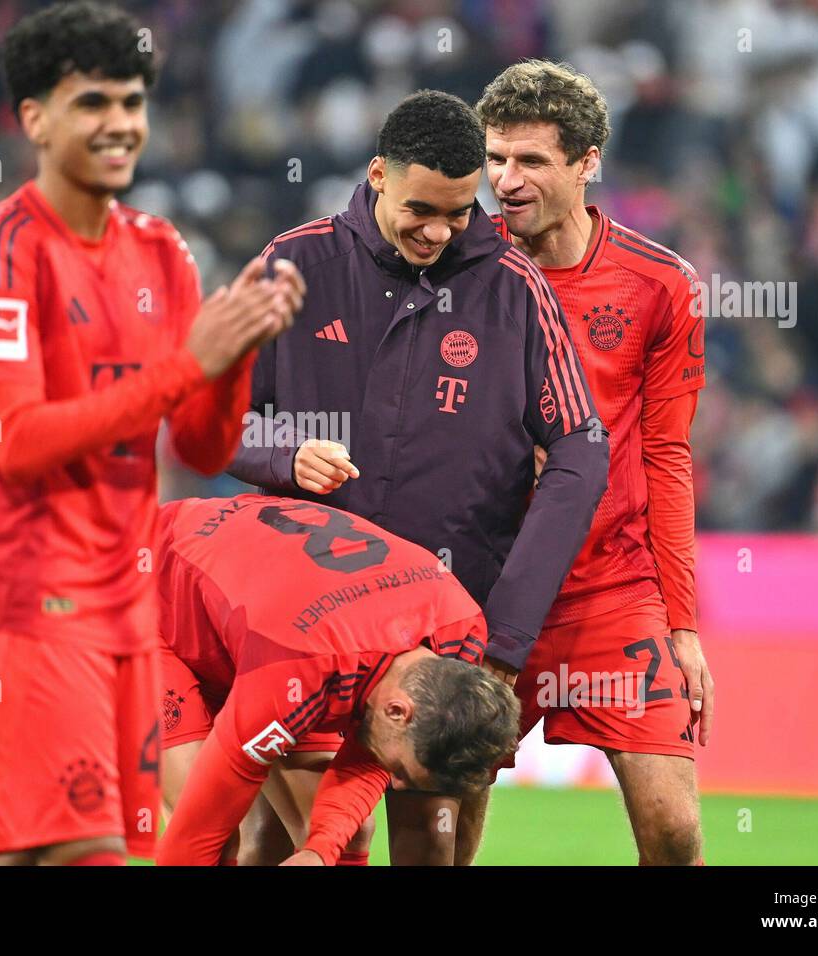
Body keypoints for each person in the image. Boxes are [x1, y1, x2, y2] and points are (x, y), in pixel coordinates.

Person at [0, 1, 303, 865]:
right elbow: (16, 442)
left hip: (127, 605)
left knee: (70, 851)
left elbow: (201, 448)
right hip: (31, 600)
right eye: (94, 103)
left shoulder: (162, 250)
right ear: (34, 118)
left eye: (133, 103)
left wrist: (235, 355)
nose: (121, 125)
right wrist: (189, 364)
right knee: (86, 852)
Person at [227, 90, 608, 865]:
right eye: (421, 209)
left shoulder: (512, 286)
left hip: (448, 636)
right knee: (288, 837)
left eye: (461, 211)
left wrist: (506, 633)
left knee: (429, 843)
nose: (439, 230)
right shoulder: (294, 263)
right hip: (309, 626)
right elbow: (204, 420)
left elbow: (580, 449)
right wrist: (281, 454)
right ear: (377, 175)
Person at [474, 59, 713, 865]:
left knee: (675, 832)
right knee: (438, 834)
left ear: (586, 163)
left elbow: (668, 455)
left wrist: (682, 623)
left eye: (531, 161)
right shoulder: (457, 271)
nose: (505, 180)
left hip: (610, 590)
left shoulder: (659, 284)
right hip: (480, 590)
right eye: (496, 158)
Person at [153, 494, 519, 866]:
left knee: (343, 839)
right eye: (401, 772)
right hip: (146, 596)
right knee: (214, 841)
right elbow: (192, 840)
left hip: (263, 628)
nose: (398, 786)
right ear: (398, 711)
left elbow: (366, 758)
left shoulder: (461, 632)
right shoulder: (300, 669)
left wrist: (318, 851)